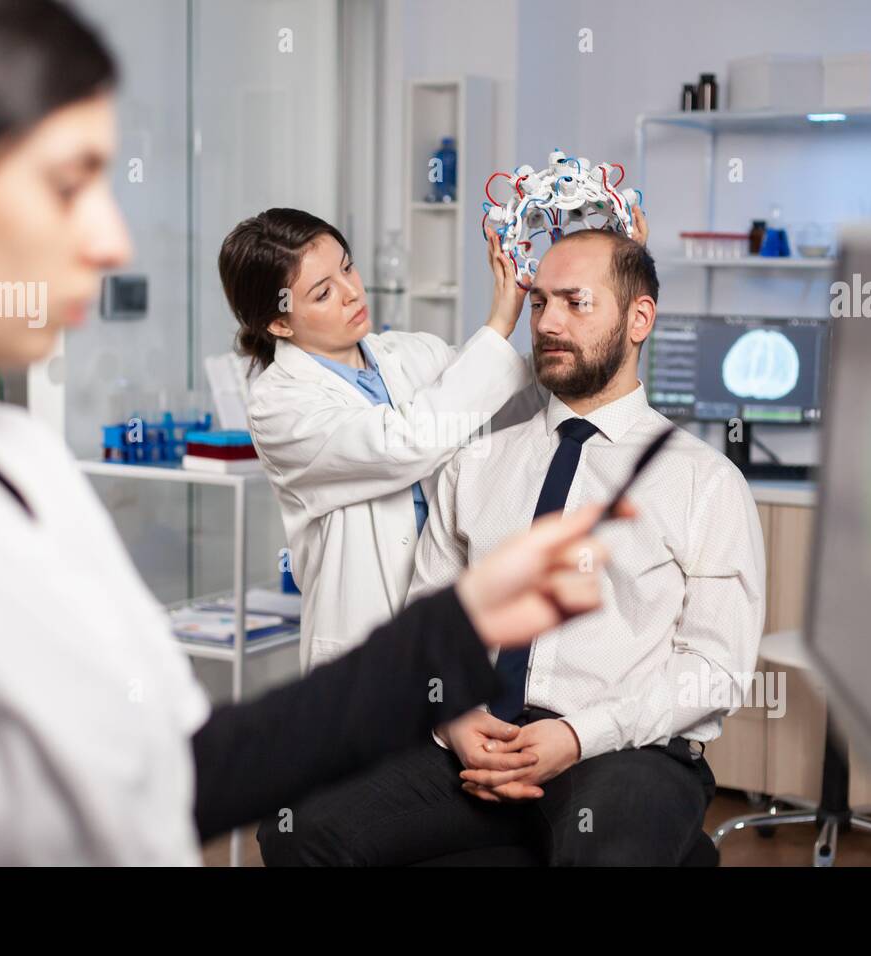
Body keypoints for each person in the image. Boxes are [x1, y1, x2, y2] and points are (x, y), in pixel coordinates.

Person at [0, 0, 623, 865]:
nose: (111, 241)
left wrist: (453, 627)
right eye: (66, 186)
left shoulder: (14, 454)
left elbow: (172, 768)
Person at [259, 229, 767, 866]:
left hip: (619, 750)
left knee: (606, 846)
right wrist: (454, 716)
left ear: (639, 319)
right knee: (298, 828)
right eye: (539, 303)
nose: (549, 323)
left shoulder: (702, 479)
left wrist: (578, 736)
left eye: (576, 303)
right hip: (480, 738)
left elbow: (715, 668)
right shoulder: (477, 461)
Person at [220, 205, 646, 670]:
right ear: (279, 323)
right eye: (323, 293)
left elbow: (510, 404)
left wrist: (614, 299)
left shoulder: (409, 353)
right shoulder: (278, 405)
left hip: (453, 628)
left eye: (347, 267)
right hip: (363, 648)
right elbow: (408, 443)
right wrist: (499, 322)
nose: (351, 292)